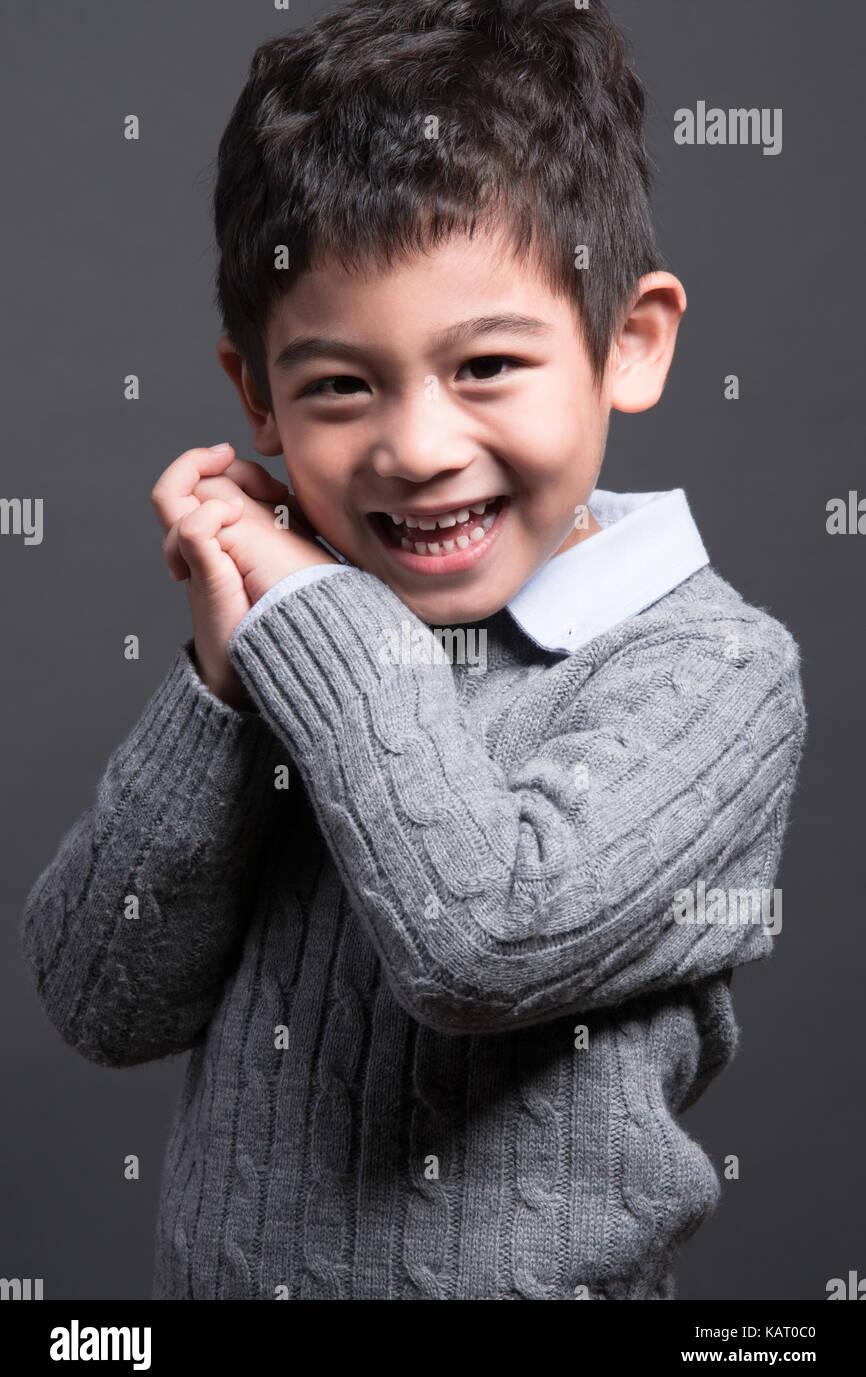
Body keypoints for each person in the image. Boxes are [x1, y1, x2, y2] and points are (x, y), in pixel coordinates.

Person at [19, 0, 806, 1300]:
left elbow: (478, 940)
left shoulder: (711, 672)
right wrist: (221, 681)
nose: (417, 449)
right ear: (256, 397)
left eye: (486, 364)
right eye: (338, 385)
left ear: (629, 343)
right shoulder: (294, 632)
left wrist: (304, 617)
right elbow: (100, 998)